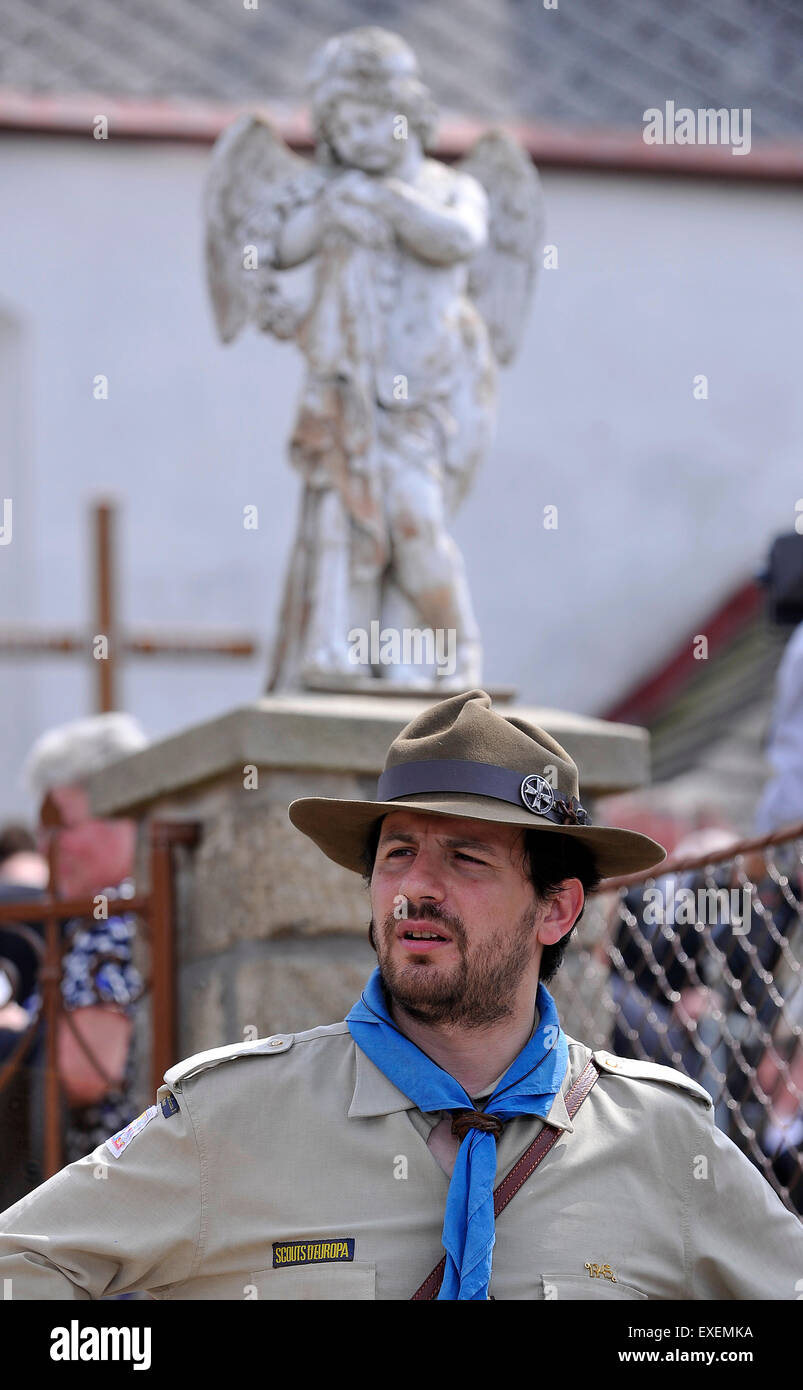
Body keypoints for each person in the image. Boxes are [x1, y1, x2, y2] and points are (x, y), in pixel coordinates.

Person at [0, 688, 801, 1301]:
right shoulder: (235, 1117)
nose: (415, 888)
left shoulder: (661, 1139)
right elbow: (21, 1262)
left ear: (555, 909)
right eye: (397, 853)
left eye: (464, 857)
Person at [20, 712, 148, 1167]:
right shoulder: (118, 910)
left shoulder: (110, 918)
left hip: (109, 1181)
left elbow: (86, 1073)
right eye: (42, 829)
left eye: (62, 826)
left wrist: (14, 1032)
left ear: (121, 815)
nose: (45, 847)